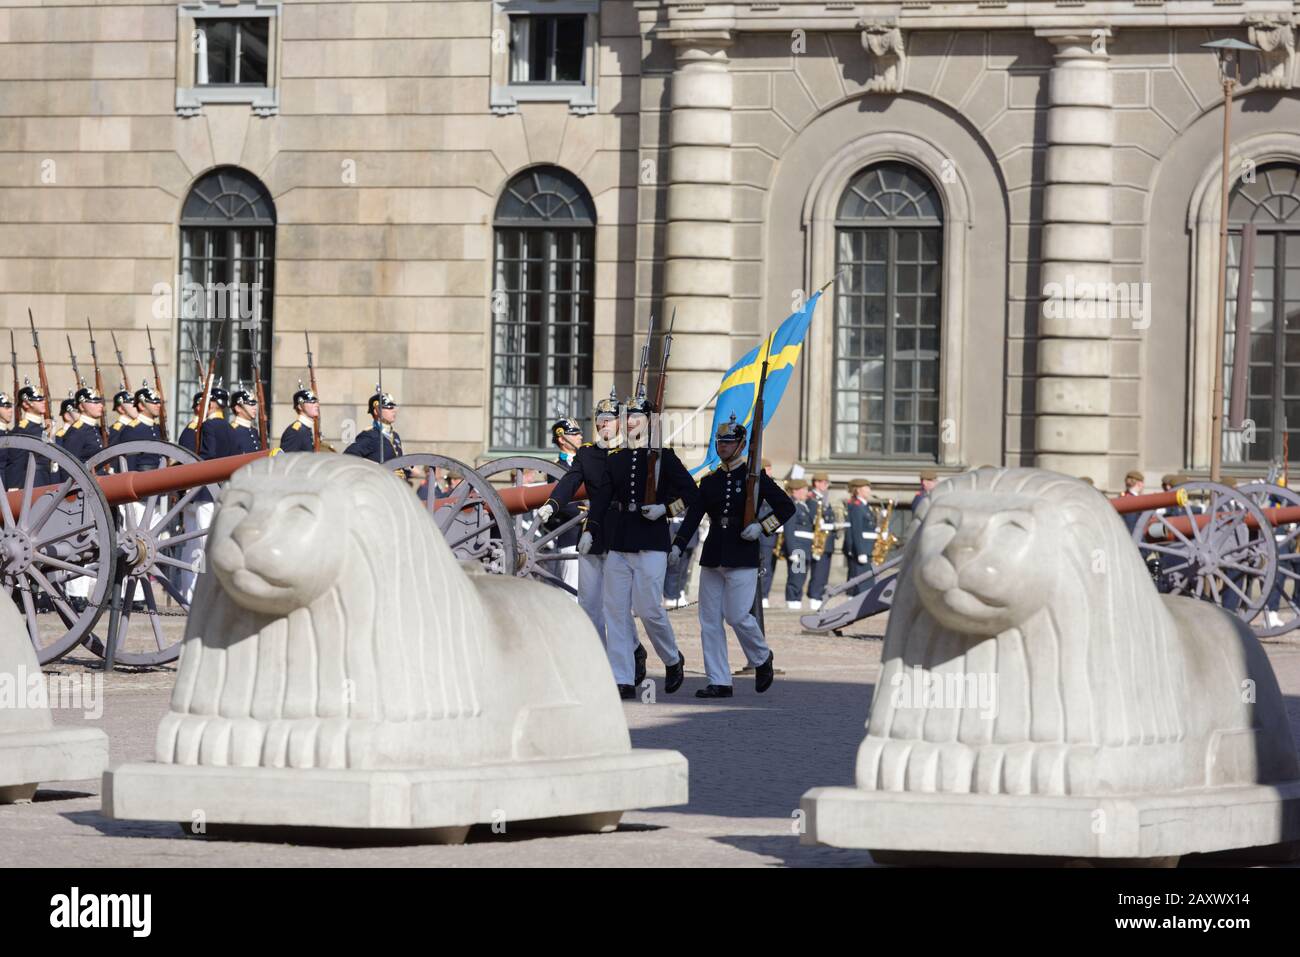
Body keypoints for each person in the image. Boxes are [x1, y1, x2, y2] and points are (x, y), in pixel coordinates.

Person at [582, 394, 697, 700]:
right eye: (628, 415)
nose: (631, 420)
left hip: (651, 542)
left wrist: (667, 509)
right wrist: (591, 530)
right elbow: (602, 499)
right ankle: (622, 677)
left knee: (648, 609)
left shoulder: (664, 457)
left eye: (637, 416)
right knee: (615, 611)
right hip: (621, 541)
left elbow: (692, 493)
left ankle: (672, 658)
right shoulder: (617, 458)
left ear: (650, 421)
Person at [672, 415, 794, 698]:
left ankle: (762, 657)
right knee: (709, 620)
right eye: (720, 442)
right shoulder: (711, 481)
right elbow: (693, 517)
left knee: (738, 616)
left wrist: (762, 527)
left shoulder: (755, 478)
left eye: (728, 443)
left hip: (742, 552)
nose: (722, 447)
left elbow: (787, 508)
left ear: (741, 445)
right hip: (714, 552)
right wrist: (678, 544)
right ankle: (719, 680)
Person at [537, 390, 648, 686]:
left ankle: (627, 663)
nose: (603, 425)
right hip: (590, 536)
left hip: (620, 536)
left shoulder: (632, 453)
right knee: (588, 604)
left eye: (609, 420)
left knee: (616, 606)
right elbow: (570, 481)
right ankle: (599, 665)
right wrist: (554, 503)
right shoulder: (587, 453)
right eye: (600, 420)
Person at [60, 384, 106, 610]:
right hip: (81, 494)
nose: (100, 406)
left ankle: (88, 591)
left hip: (95, 493)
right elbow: (69, 466)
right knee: (79, 541)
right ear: (82, 405)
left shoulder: (92, 430)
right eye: (95, 402)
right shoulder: (77, 432)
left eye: (100, 402)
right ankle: (75, 593)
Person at [544, 417, 585, 594]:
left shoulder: (586, 462)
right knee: (572, 589)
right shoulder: (557, 467)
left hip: (594, 534)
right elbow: (563, 501)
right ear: (562, 439)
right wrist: (587, 512)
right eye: (574, 434)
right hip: (571, 533)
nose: (580, 437)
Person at [5, 381, 51, 491]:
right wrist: (14, 488)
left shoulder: (41, 427)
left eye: (43, 399)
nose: (43, 402)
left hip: (46, 480)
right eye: (38, 400)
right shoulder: (22, 429)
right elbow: (16, 462)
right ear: (26, 404)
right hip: (33, 483)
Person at [344, 386, 404, 470]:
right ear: (376, 411)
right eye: (389, 407)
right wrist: (374, 467)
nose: (394, 410)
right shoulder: (370, 435)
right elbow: (349, 456)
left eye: (393, 407)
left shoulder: (395, 435)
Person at [805, 471, 839, 611]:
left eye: (827, 483)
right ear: (816, 483)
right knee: (818, 573)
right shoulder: (812, 499)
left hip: (827, 541)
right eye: (824, 483)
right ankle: (814, 597)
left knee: (824, 573)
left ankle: (818, 597)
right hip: (817, 541)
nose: (826, 486)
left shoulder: (823, 499)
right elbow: (814, 519)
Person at [782, 479, 814, 609]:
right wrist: (792, 550)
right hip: (798, 547)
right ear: (795, 491)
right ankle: (792, 598)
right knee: (796, 575)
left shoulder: (803, 506)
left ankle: (797, 598)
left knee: (802, 575)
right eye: (804, 489)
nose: (806, 492)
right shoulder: (792, 505)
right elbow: (789, 530)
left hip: (805, 546)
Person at [842, 478, 877, 595]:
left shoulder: (865, 506)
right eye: (866, 488)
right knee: (861, 582)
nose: (869, 490)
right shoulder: (857, 506)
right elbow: (856, 531)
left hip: (868, 548)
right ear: (858, 490)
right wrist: (860, 551)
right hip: (862, 549)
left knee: (866, 580)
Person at [757, 457, 779, 608]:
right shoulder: (759, 486)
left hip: (771, 535)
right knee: (763, 567)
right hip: (762, 534)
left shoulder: (773, 485)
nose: (771, 471)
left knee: (769, 567)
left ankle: (765, 594)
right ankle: (761, 594)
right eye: (768, 468)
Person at [279, 382, 320, 453]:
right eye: (311, 402)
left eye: (316, 402)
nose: (316, 405)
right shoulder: (295, 431)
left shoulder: (305, 428)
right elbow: (286, 461)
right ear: (300, 407)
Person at [227, 387, 262, 454]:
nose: (254, 408)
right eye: (250, 404)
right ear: (238, 408)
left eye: (254, 404)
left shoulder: (254, 430)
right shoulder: (232, 431)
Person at [1121, 469, 1145, 535]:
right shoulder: (1131, 499)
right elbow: (1131, 523)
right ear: (1139, 483)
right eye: (1143, 483)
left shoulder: (1124, 496)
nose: (1143, 485)